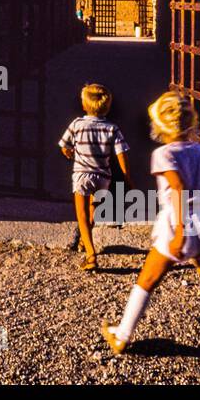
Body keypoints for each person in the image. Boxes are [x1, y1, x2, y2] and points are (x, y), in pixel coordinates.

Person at [101, 91, 200, 385]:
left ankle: (122, 335)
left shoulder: (163, 154)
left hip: (177, 226)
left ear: (159, 125)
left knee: (146, 282)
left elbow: (176, 188)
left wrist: (180, 232)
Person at [58, 84, 130, 272]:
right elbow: (121, 153)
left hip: (82, 175)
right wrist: (126, 177)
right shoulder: (112, 128)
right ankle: (84, 239)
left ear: (84, 105)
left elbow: (64, 146)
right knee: (92, 213)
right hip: (102, 177)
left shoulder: (76, 124)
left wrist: (69, 153)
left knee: (81, 215)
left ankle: (91, 254)